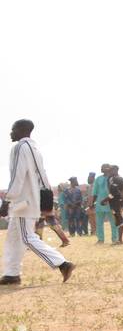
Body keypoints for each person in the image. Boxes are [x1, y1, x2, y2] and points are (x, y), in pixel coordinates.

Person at [1, 121, 74, 285]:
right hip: (31, 200)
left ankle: (63, 264)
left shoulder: (20, 147)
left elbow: (17, 176)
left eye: (13, 130)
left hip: (21, 201)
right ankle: (12, 274)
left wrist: (7, 199)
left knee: (27, 237)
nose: (11, 133)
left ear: (22, 130)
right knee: (14, 238)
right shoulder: (35, 149)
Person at [107, 166, 123, 243]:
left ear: (115, 170)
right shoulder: (121, 179)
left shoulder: (115, 179)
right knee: (118, 219)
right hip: (120, 202)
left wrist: (105, 200)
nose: (109, 172)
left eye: (110, 170)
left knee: (119, 220)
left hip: (116, 202)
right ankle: (119, 239)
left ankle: (120, 240)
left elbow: (113, 193)